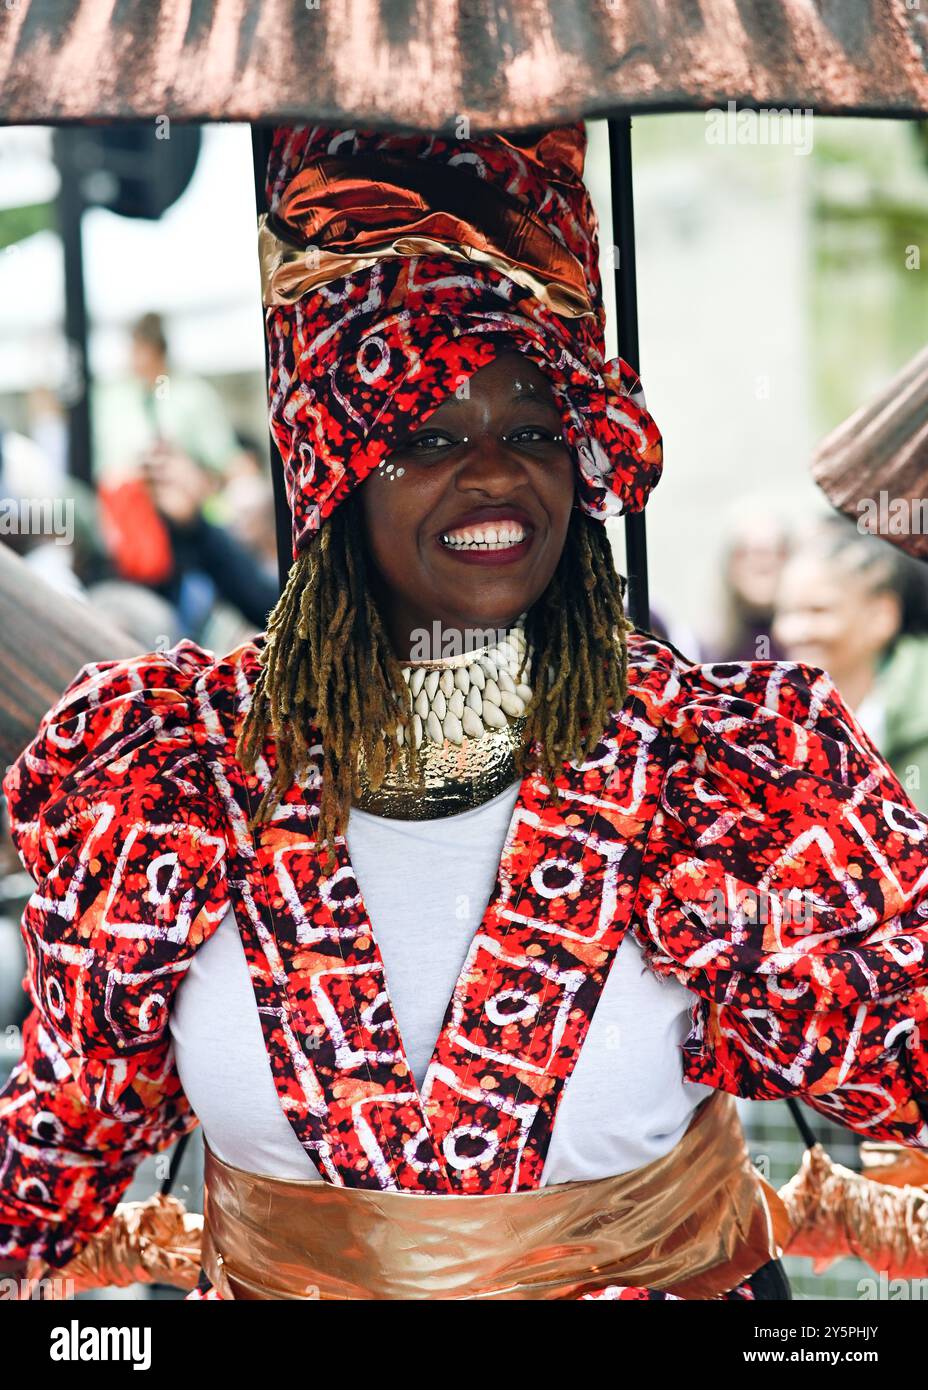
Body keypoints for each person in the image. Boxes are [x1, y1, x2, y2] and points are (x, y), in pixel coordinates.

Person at [2, 122, 927, 1303]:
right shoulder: (171, 771)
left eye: (536, 431)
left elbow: (903, 1052)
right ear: (329, 461)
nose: (496, 473)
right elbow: (50, 1172)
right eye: (432, 435)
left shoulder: (722, 766)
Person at [774, 514, 928, 813]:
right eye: (785, 612)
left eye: (818, 610)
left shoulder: (919, 715)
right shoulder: (776, 717)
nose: (794, 631)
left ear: (881, 617)